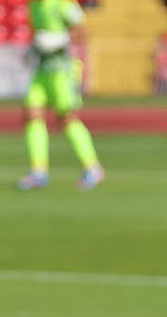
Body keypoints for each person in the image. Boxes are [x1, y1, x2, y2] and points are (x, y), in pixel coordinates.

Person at [18, 0, 104, 191]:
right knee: (31, 114)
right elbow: (37, 35)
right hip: (42, 70)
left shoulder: (62, 4)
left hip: (62, 71)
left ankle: (92, 168)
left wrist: (59, 39)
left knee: (66, 119)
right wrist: (32, 50)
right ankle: (38, 171)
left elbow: (81, 31)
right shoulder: (33, 6)